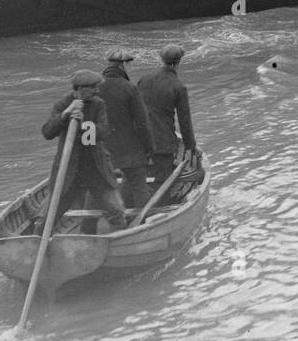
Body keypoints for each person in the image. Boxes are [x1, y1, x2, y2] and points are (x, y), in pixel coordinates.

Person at [38, 70, 129, 232]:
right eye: (93, 88)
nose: (97, 91)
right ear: (80, 89)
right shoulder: (62, 104)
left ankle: (119, 240)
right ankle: (37, 242)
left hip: (95, 168)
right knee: (51, 215)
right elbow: (47, 132)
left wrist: (83, 124)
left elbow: (103, 131)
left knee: (115, 211)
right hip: (69, 171)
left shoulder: (98, 104)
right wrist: (65, 115)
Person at [136, 44, 201, 197]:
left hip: (139, 136)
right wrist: (191, 146)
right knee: (164, 180)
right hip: (162, 140)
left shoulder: (144, 79)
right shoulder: (178, 86)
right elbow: (184, 120)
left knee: (135, 177)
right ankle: (156, 211)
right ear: (179, 62)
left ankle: (130, 204)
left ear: (161, 60)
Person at [96, 49, 155, 209]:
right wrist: (149, 148)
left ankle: (88, 227)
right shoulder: (129, 88)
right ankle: (143, 223)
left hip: (102, 149)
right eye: (129, 65)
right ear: (123, 65)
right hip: (128, 149)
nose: (130, 68)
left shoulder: (94, 87)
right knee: (138, 184)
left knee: (97, 187)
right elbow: (143, 123)